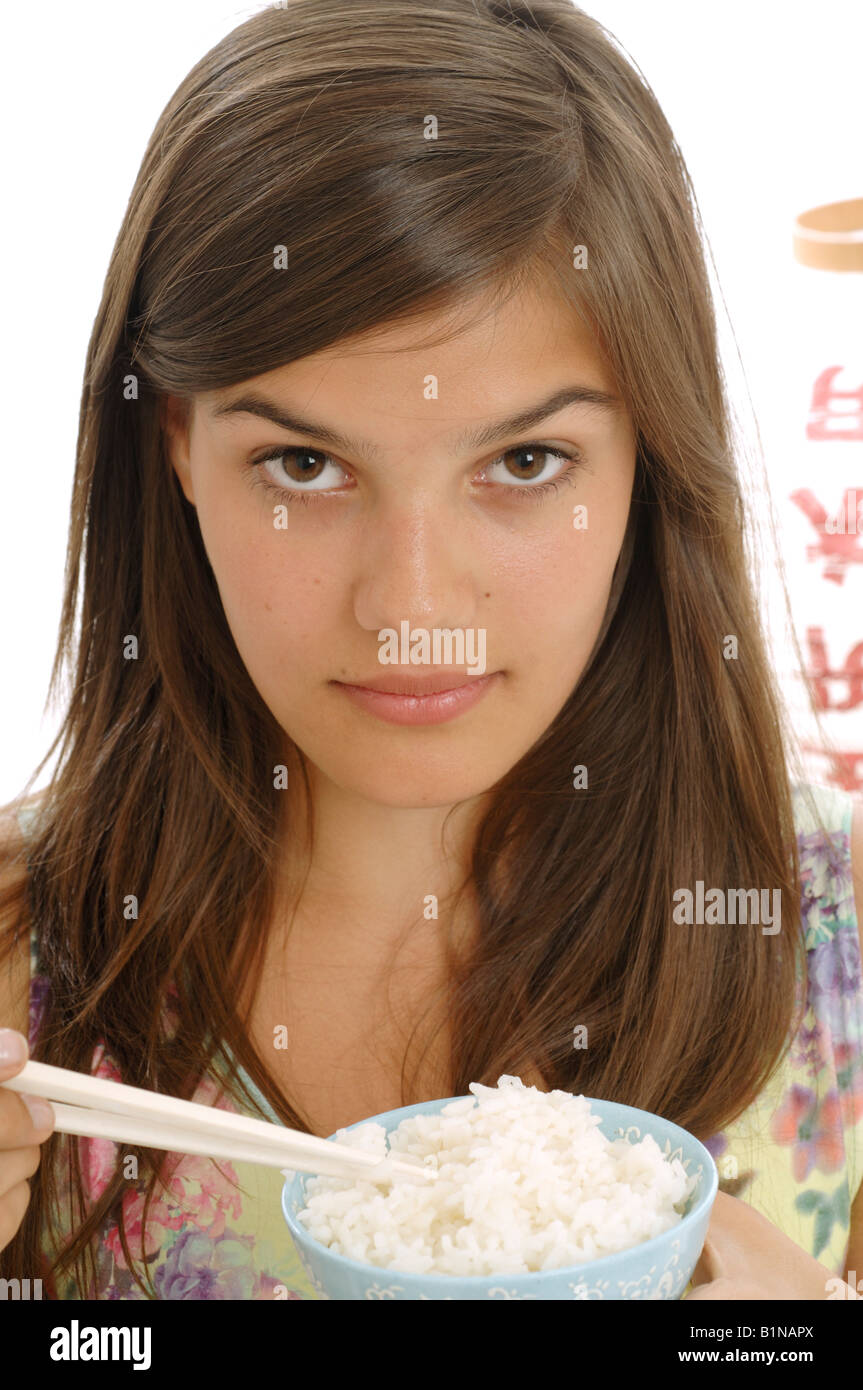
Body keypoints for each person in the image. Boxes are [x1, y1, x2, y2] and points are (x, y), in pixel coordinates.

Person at [0, 0, 861, 1301]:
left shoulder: (835, 940)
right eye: (304, 462)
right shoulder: (19, 963)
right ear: (174, 441)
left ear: (648, 456)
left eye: (524, 461)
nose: (410, 602)